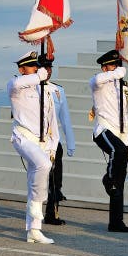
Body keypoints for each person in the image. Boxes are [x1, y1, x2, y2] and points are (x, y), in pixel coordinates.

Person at [7, 51, 58, 244]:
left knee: (34, 179)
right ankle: (36, 205)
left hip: (41, 140)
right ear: (21, 69)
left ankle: (33, 230)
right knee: (44, 166)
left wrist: (53, 145)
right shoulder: (15, 85)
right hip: (23, 137)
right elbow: (18, 84)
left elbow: (51, 119)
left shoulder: (42, 89)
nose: (35, 69)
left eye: (36, 66)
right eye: (30, 66)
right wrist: (38, 77)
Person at [90, 50, 128, 233]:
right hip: (103, 130)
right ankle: (106, 179)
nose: (113, 69)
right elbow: (99, 80)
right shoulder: (98, 82)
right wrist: (117, 72)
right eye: (110, 66)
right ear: (104, 67)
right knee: (117, 155)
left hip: (120, 133)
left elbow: (127, 116)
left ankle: (116, 222)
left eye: (115, 66)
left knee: (120, 179)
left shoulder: (122, 87)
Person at [38, 55, 74, 225]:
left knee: (56, 177)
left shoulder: (58, 90)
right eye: (45, 68)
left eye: (50, 68)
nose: (48, 71)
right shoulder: (30, 89)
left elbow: (65, 118)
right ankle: (36, 214)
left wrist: (71, 142)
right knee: (39, 178)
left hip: (54, 141)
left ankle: (52, 213)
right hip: (36, 141)